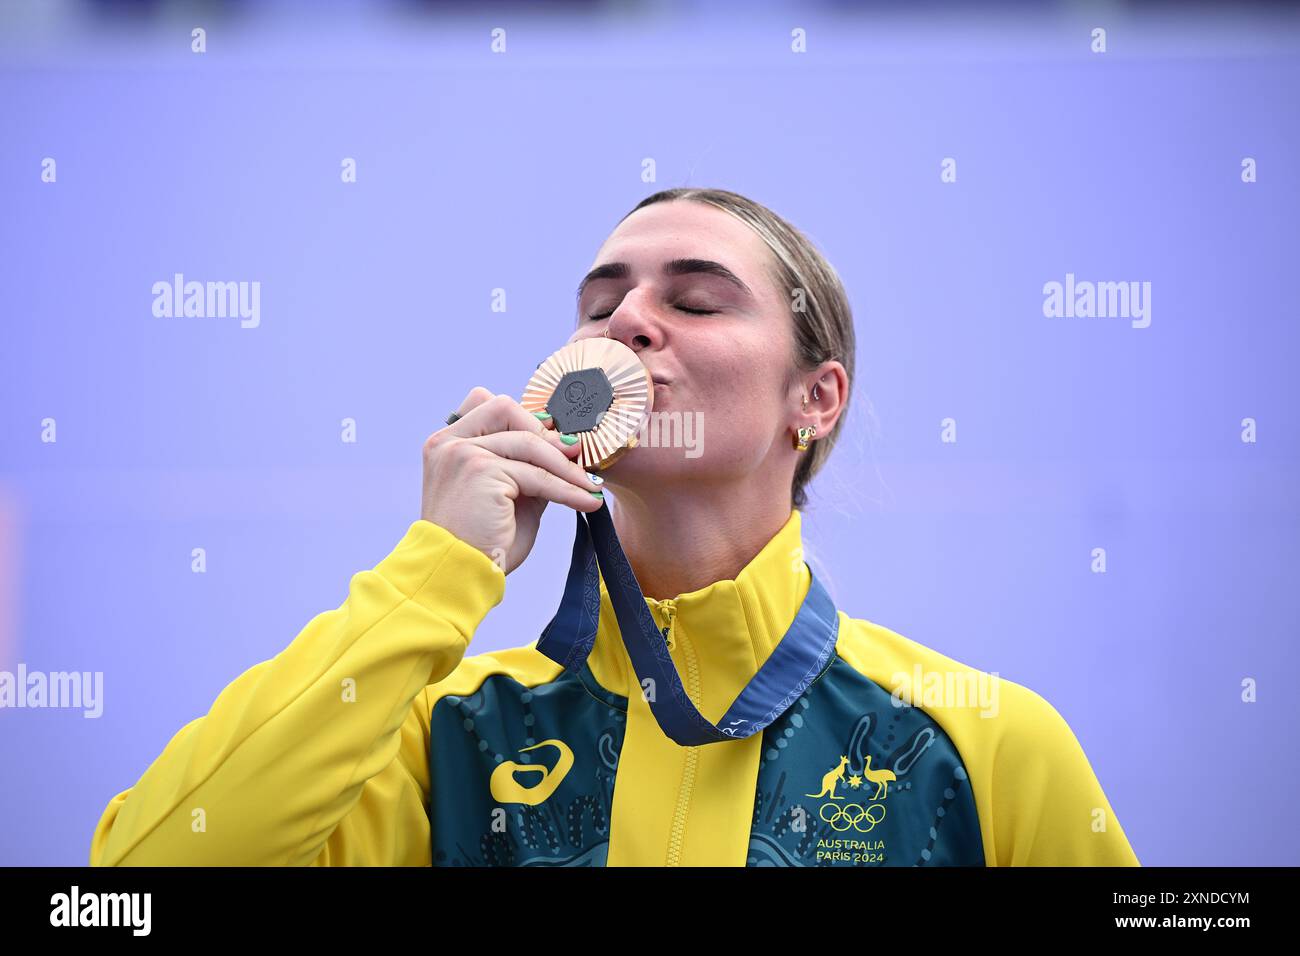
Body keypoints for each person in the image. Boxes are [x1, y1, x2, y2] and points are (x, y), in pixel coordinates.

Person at [89, 187, 1139, 867]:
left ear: (814, 400)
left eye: (696, 299)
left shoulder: (979, 742)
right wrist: (439, 572)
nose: (626, 320)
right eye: (601, 303)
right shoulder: (439, 731)